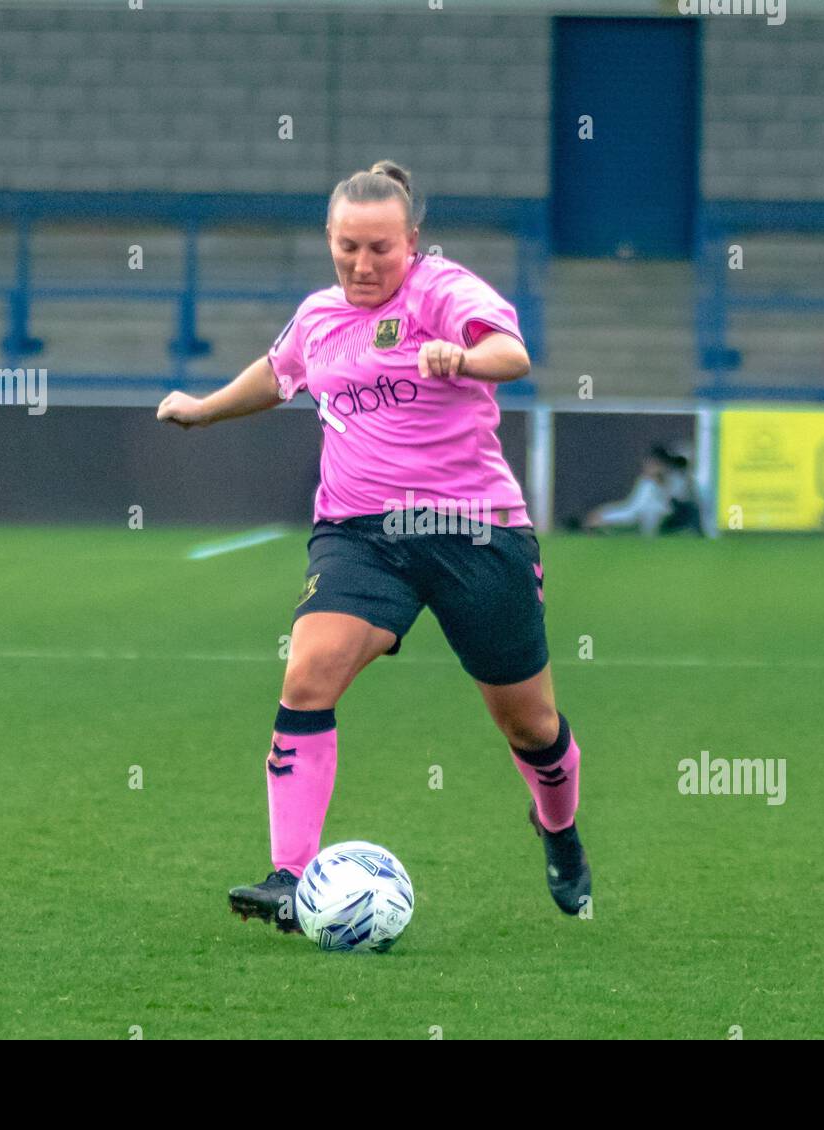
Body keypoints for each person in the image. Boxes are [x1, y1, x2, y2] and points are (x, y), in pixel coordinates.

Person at [156, 160, 590, 930]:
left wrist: (462, 357)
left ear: (411, 242)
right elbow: (278, 371)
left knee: (529, 723)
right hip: (360, 534)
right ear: (329, 240)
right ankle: (290, 875)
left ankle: (557, 828)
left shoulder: (442, 291)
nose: (363, 264)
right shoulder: (320, 315)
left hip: (472, 529)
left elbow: (511, 354)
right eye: (348, 246)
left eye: (380, 248)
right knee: (308, 670)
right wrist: (203, 410)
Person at [580, 443, 702, 537]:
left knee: (645, 517)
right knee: (599, 517)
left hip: (657, 521)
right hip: (638, 519)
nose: (649, 466)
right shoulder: (646, 483)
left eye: (655, 463)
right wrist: (604, 513)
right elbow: (632, 507)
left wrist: (607, 519)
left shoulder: (675, 480)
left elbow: (674, 504)